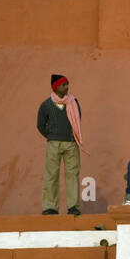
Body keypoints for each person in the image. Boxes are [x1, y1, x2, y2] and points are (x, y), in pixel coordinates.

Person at [37, 74, 84, 216]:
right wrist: (52, 137)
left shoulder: (74, 103)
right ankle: (50, 207)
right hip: (53, 144)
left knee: (72, 175)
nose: (67, 87)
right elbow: (40, 125)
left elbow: (77, 119)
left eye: (67, 84)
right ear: (55, 87)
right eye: (64, 85)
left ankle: (73, 207)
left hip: (71, 142)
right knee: (51, 175)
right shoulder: (46, 105)